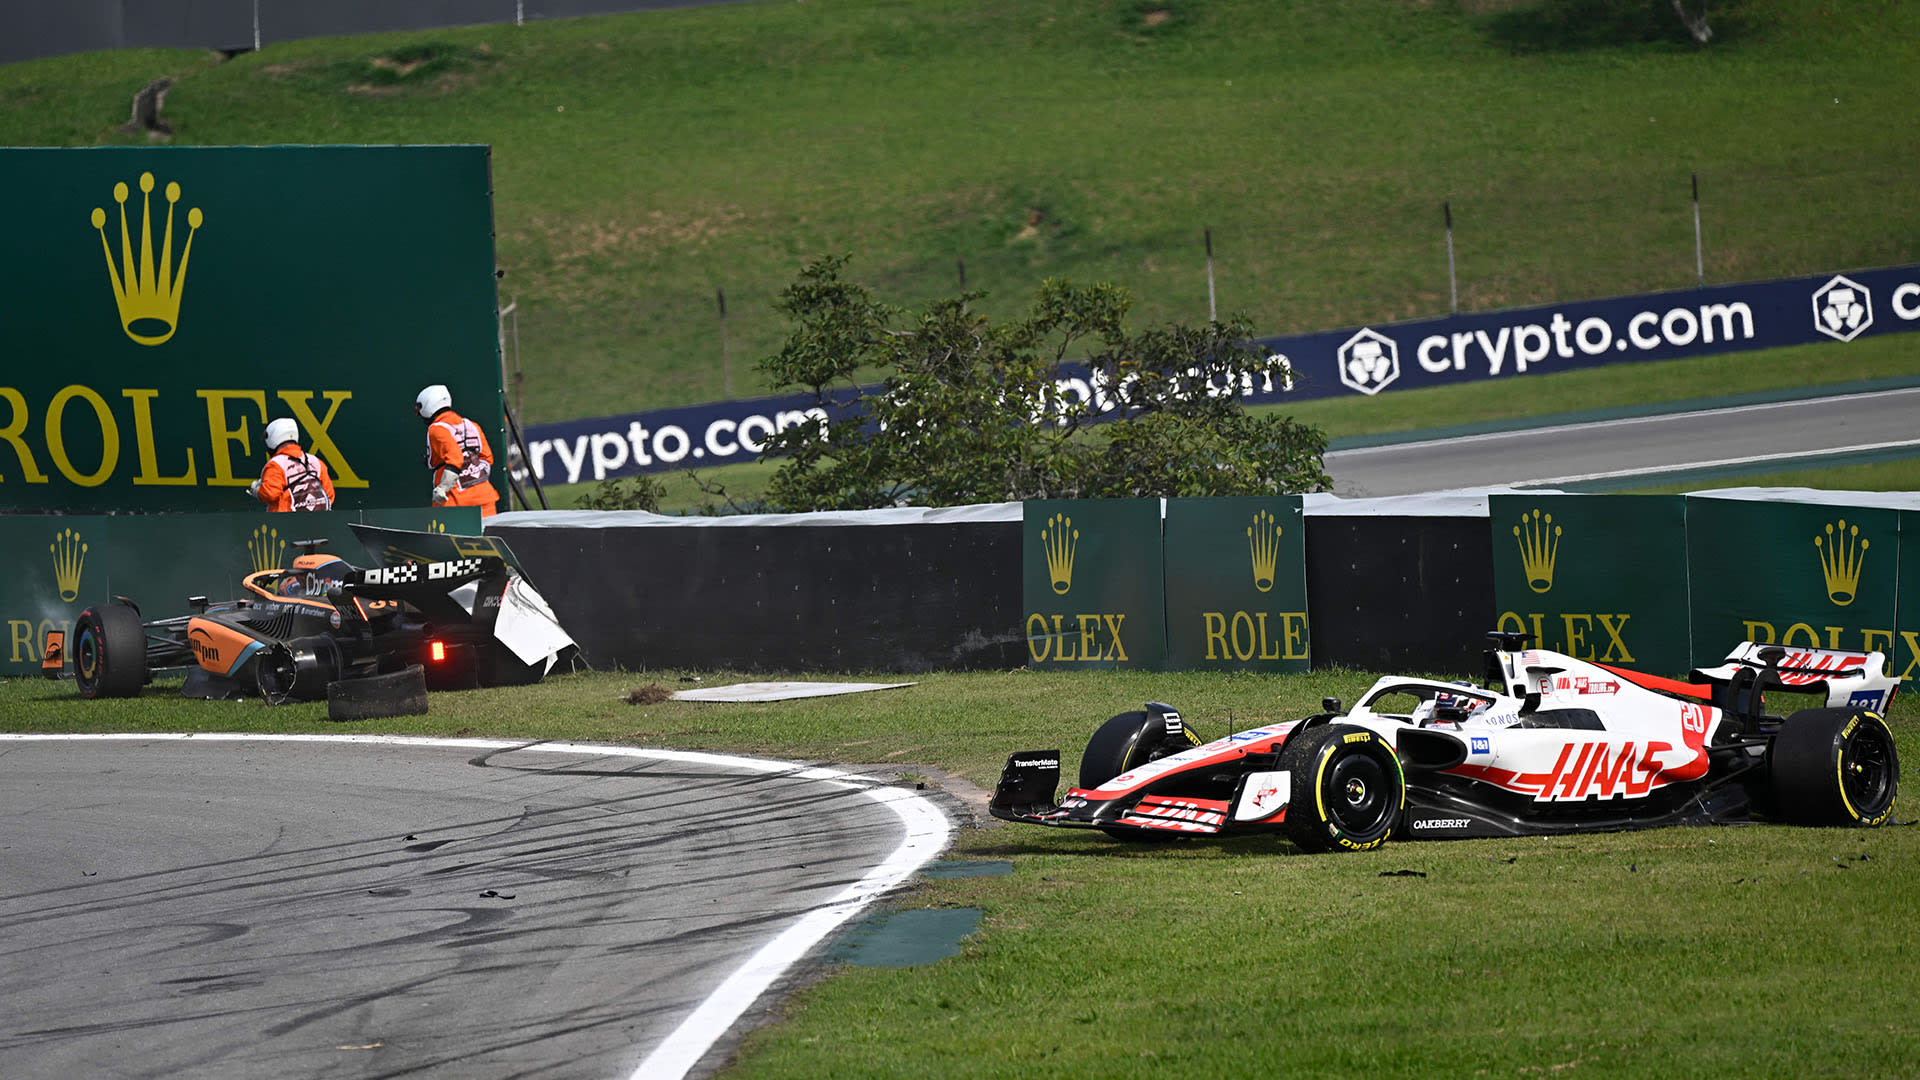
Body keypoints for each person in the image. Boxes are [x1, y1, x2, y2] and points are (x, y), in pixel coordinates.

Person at [415, 384, 500, 517]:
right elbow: (487, 459)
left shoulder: (436, 429)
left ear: (427, 406)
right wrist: (473, 474)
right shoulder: (472, 424)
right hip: (485, 499)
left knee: (447, 538)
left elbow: (455, 458)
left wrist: (443, 488)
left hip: (454, 503)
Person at [250, 417, 336, 512]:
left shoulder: (276, 465)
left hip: (286, 523)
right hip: (320, 521)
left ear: (273, 438)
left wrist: (257, 490)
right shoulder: (315, 461)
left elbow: (270, 494)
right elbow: (329, 495)